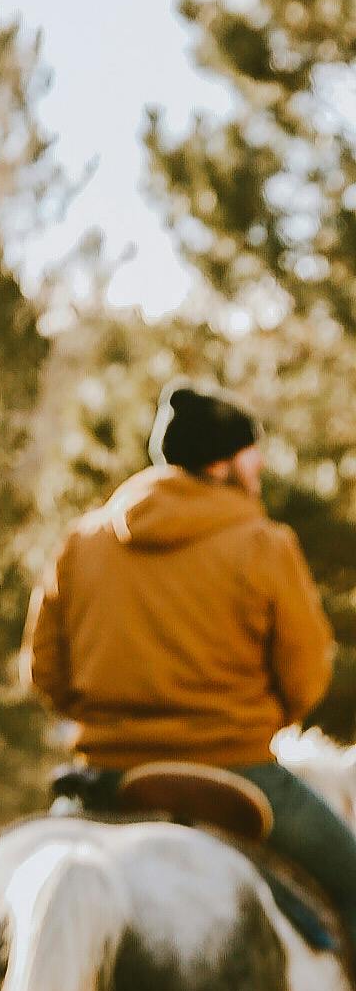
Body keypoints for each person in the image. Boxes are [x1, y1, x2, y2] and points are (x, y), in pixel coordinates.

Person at [22, 380, 356, 931]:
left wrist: (111, 724)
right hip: (239, 771)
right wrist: (252, 723)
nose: (262, 467)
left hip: (108, 775)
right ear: (221, 465)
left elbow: (44, 673)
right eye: (252, 455)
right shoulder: (265, 544)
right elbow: (306, 676)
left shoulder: (81, 542)